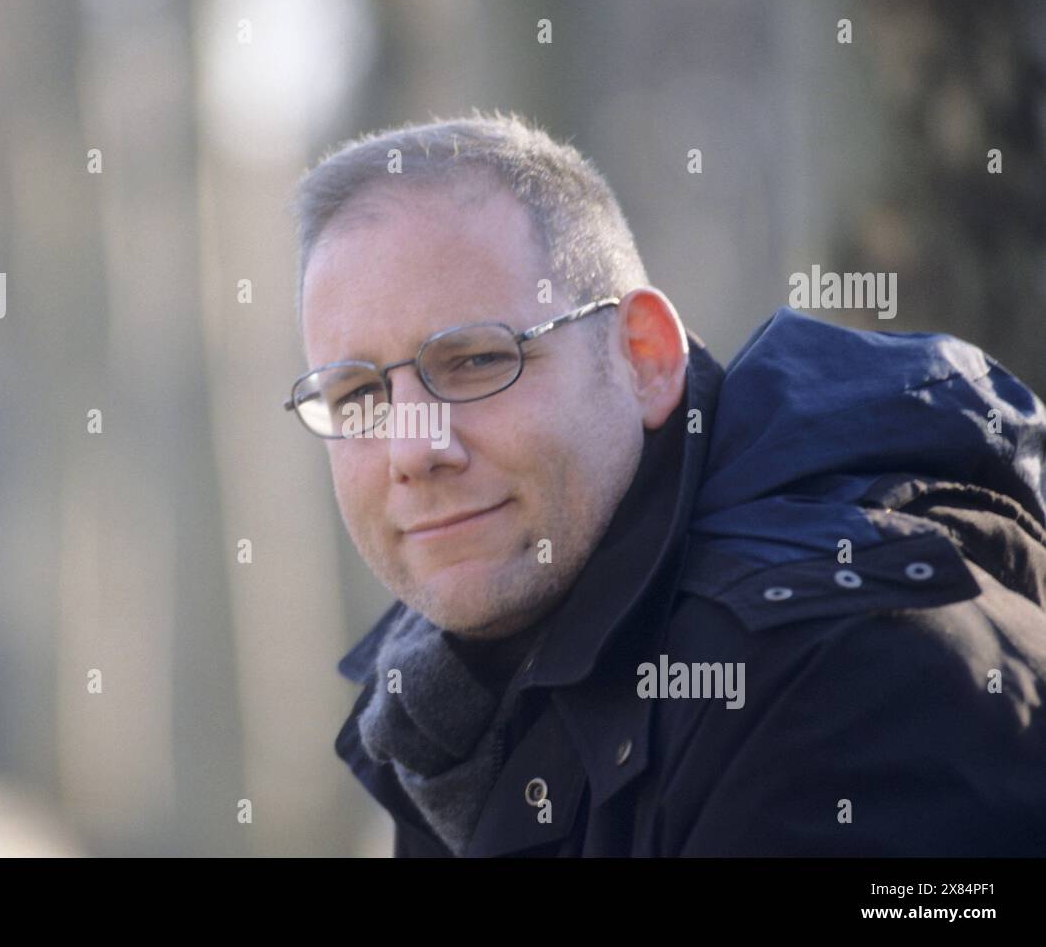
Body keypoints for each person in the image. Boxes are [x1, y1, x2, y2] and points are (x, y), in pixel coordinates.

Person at [283, 109, 1046, 856]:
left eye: (478, 361)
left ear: (644, 358)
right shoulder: (441, 719)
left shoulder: (833, 671)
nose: (411, 451)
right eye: (358, 396)